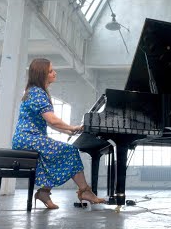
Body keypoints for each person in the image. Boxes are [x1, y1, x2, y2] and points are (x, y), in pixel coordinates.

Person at [12, 58, 106, 209]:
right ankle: (85, 191)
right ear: (42, 75)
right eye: (50, 71)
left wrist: (71, 129)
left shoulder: (37, 92)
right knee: (70, 151)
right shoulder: (37, 93)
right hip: (28, 139)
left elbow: (51, 124)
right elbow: (52, 120)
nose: (54, 73)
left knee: (57, 153)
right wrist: (71, 127)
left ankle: (44, 192)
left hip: (30, 138)